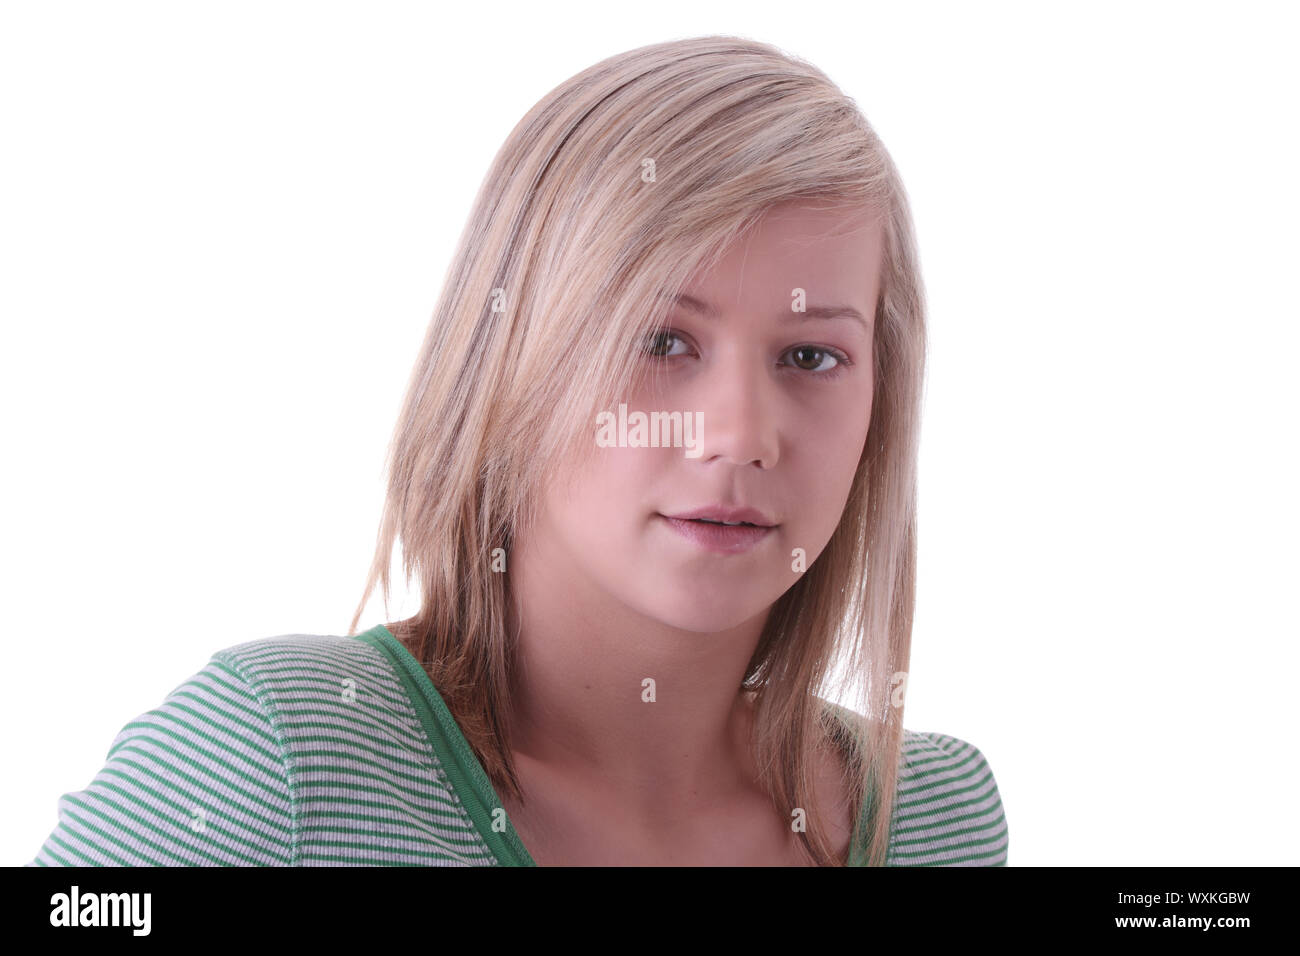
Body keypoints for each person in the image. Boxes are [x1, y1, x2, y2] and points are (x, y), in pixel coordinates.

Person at [27, 34, 1007, 867]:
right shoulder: (272, 764)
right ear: (507, 359)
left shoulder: (932, 820)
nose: (740, 435)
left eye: (810, 354)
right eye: (660, 340)